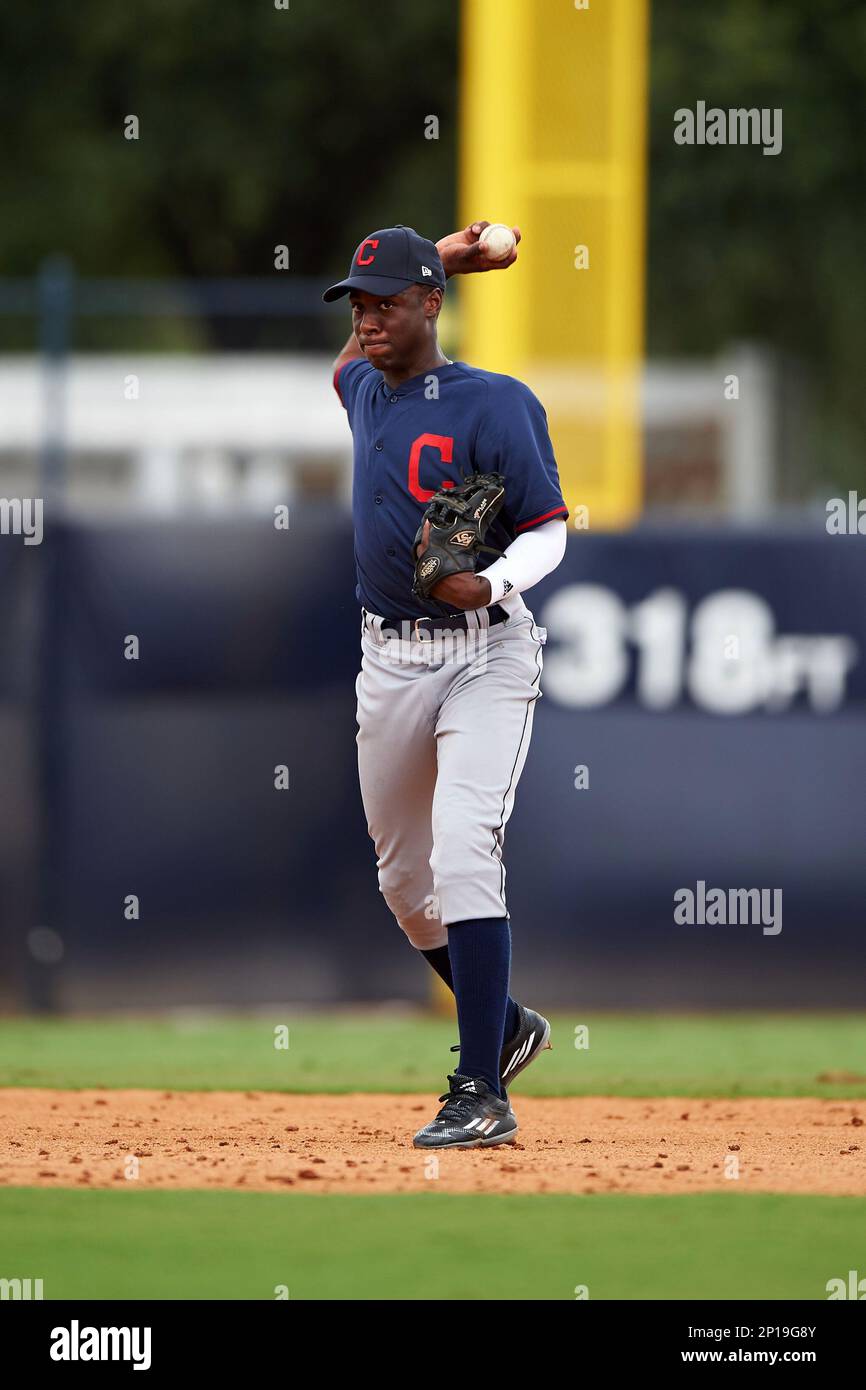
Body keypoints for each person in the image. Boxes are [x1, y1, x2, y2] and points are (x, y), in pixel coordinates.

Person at [325, 222, 568, 1148]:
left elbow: (549, 528)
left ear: (432, 306)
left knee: (466, 845)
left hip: (483, 649)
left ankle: (480, 1091)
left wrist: (495, 579)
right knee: (403, 878)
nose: (369, 320)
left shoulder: (496, 404)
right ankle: (504, 1025)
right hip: (387, 657)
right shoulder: (364, 392)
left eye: (388, 301)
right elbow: (348, 360)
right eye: (358, 305)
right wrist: (444, 253)